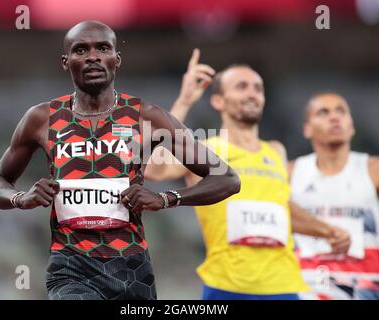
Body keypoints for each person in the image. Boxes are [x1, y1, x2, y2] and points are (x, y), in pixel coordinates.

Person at [0, 21, 240, 300]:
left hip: (132, 268)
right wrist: (21, 198)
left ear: (116, 60)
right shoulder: (41, 118)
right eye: (81, 50)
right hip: (70, 266)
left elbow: (227, 179)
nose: (93, 56)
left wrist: (168, 198)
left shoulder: (148, 118)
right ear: (65, 61)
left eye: (102, 48)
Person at [145, 50, 351, 300]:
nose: (252, 93)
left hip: (283, 286)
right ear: (218, 101)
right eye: (241, 87)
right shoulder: (206, 150)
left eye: (258, 88)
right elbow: (154, 169)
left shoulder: (276, 151)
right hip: (228, 285)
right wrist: (185, 101)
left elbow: (282, 208)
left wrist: (327, 231)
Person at [289, 92, 379, 300]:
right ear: (307, 129)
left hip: (364, 286)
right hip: (307, 285)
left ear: (352, 126)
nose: (334, 117)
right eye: (323, 112)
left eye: (341, 111)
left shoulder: (373, 169)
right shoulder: (291, 172)